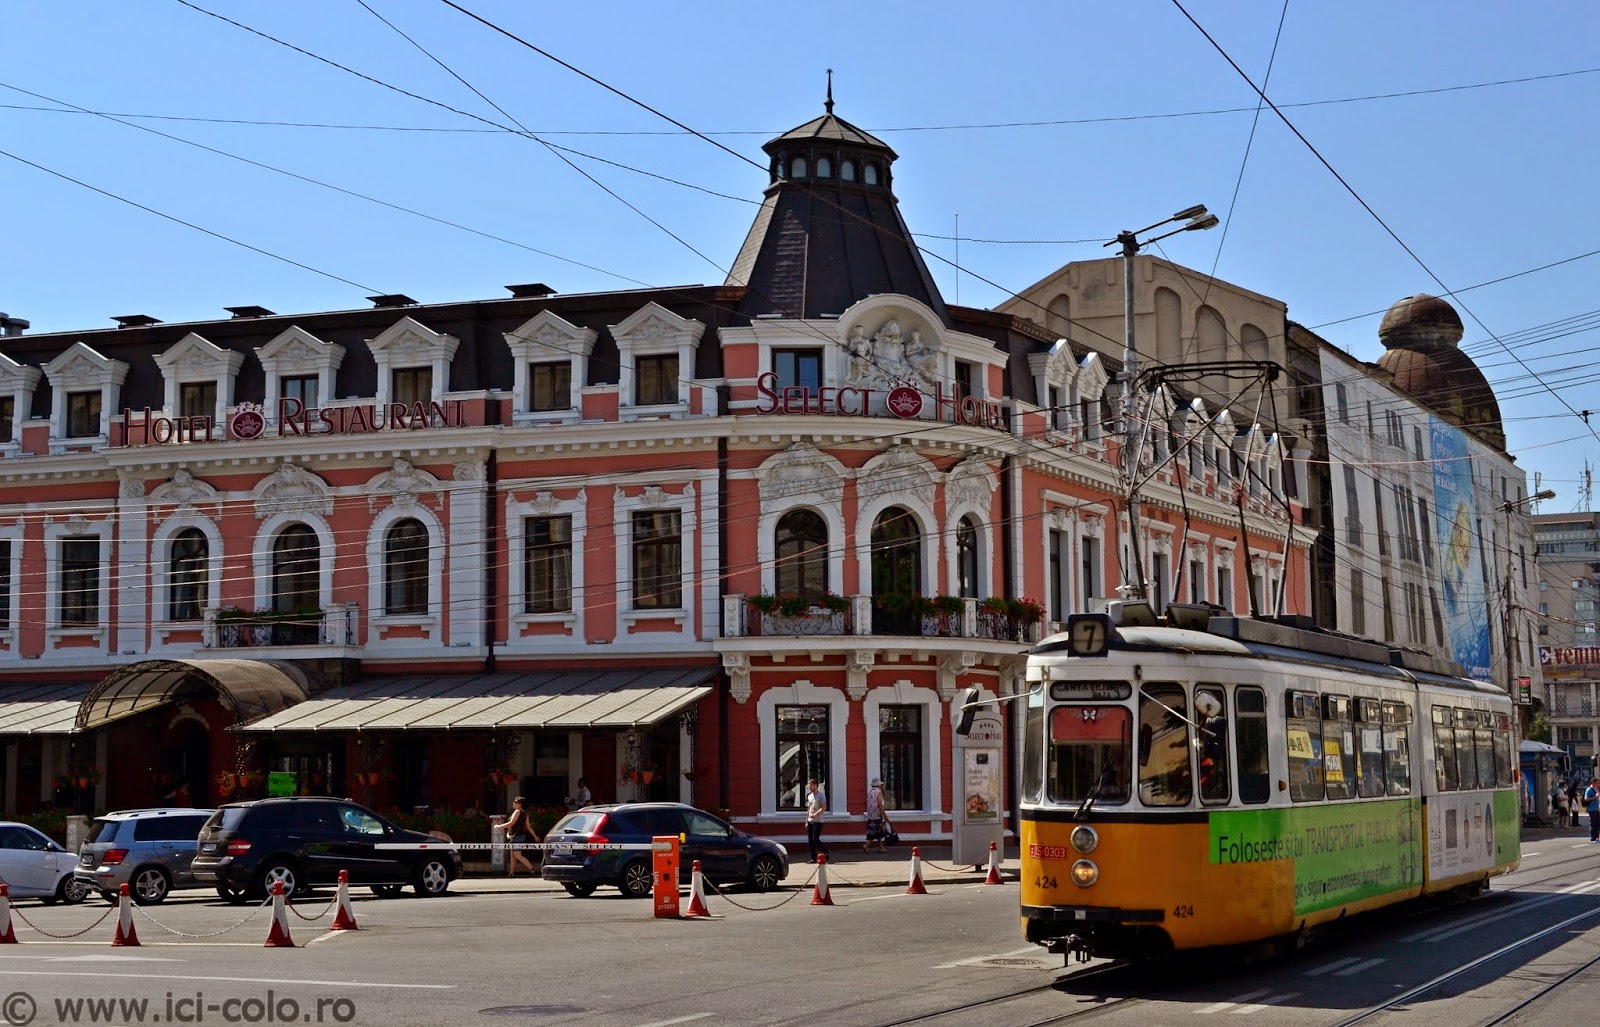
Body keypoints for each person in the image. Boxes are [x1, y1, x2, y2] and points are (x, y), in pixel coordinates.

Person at [503, 796, 537, 876]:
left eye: (515, 802)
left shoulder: (517, 812)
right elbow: (528, 827)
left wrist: (499, 826)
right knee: (513, 855)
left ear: (520, 804)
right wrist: (534, 836)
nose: (513, 803)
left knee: (517, 855)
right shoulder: (525, 814)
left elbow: (511, 823)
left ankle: (531, 869)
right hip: (519, 836)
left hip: (516, 836)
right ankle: (511, 872)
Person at [804, 779, 830, 864]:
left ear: (816, 785)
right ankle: (813, 858)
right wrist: (806, 821)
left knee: (816, 839)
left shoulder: (821, 795)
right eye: (809, 785)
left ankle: (825, 852)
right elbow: (809, 809)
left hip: (818, 821)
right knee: (810, 840)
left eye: (811, 785)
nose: (809, 787)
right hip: (810, 820)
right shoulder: (810, 796)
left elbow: (824, 807)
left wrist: (816, 815)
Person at [863, 778, 888, 854]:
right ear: (878, 785)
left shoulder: (870, 792)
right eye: (880, 784)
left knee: (878, 831)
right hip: (877, 815)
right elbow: (880, 804)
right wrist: (884, 815)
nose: (881, 785)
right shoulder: (878, 792)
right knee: (875, 831)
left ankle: (881, 847)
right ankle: (866, 845)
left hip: (871, 815)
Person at [1585, 777, 1600, 843]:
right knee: (1593, 824)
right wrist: (1595, 797)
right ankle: (1593, 838)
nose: (1598, 784)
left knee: (1597, 824)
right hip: (1592, 809)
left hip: (1596, 809)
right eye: (1597, 783)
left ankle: (1596, 837)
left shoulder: (1595, 789)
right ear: (1593, 782)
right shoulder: (1589, 789)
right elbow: (1586, 799)